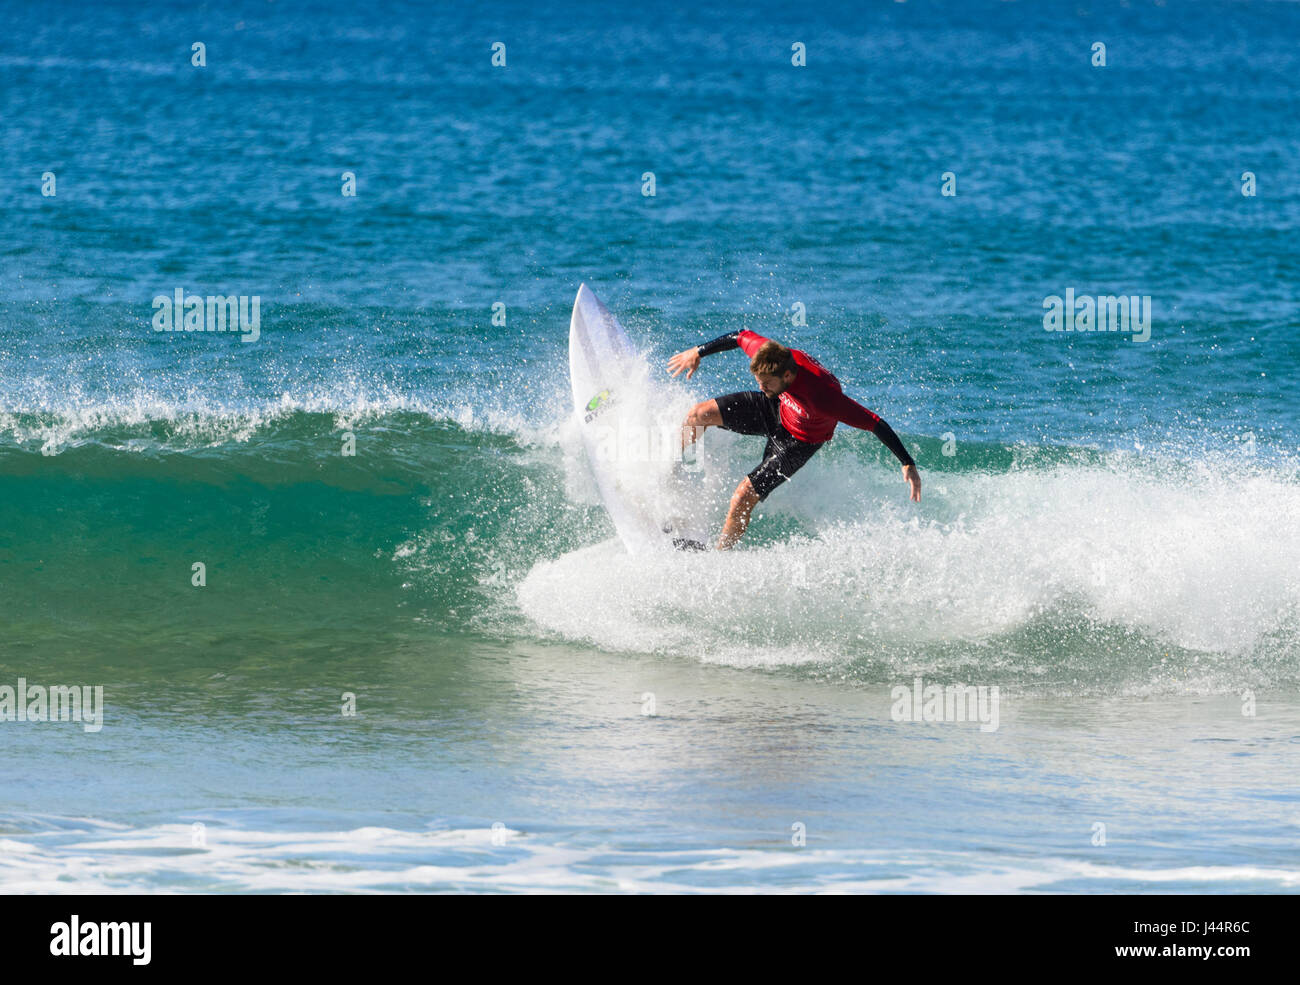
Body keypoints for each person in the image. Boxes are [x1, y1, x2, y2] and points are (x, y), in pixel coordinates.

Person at [667, 330, 921, 549]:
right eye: (759, 381)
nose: (761, 387)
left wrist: (907, 462)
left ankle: (717, 557)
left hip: (798, 442)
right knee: (697, 414)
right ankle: (671, 471)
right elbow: (740, 335)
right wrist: (698, 352)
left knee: (742, 497)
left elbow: (874, 422)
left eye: (765, 383)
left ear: (788, 376)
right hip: (778, 408)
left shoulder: (822, 397)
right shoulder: (770, 358)